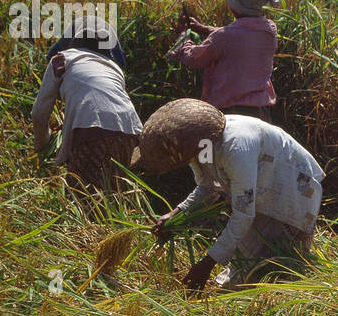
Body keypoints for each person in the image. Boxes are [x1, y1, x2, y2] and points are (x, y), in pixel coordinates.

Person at [132, 98, 324, 293]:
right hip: (260, 188)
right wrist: (176, 213)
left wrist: (207, 263)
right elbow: (208, 186)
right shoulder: (202, 145)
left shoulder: (236, 149)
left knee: (276, 263)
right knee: (245, 266)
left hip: (291, 185)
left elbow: (243, 214)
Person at [31, 24, 141, 196]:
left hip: (93, 131)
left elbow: (38, 115)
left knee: (81, 199)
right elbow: (103, 102)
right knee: (111, 196)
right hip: (130, 130)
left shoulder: (62, 59)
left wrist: (42, 145)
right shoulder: (114, 67)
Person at [167, 0, 280, 120]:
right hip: (261, 113)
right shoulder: (269, 29)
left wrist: (183, 36)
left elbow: (194, 58)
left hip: (231, 113)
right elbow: (242, 35)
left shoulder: (224, 37)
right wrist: (204, 28)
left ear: (234, 7)